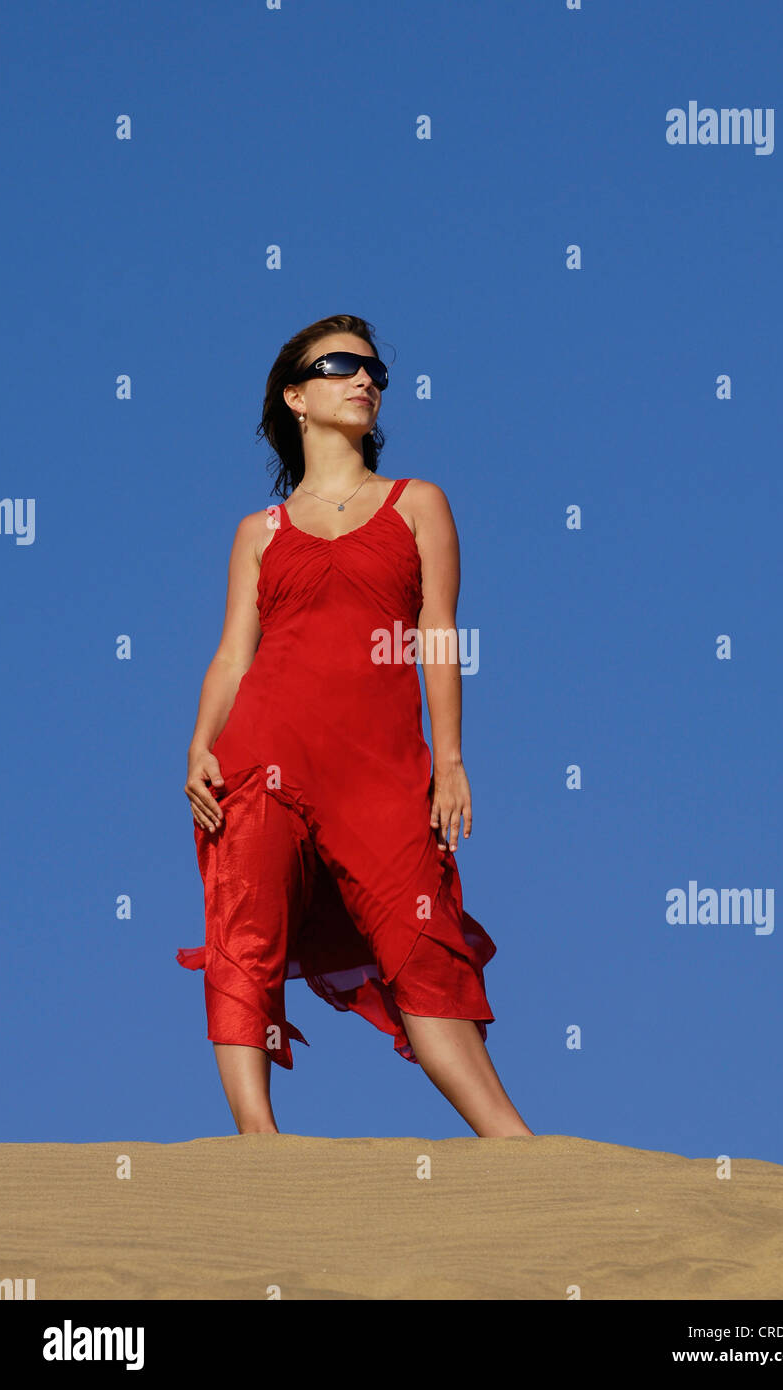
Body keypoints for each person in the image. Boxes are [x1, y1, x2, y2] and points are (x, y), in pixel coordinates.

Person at [179, 313, 533, 1139]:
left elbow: (439, 636)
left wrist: (450, 760)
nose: (364, 379)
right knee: (245, 936)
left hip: (381, 770)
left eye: (375, 371)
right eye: (340, 366)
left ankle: (520, 1151)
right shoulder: (258, 534)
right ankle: (258, 1150)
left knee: (423, 947)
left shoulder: (417, 505)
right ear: (296, 397)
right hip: (261, 754)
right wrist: (199, 743)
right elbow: (234, 655)